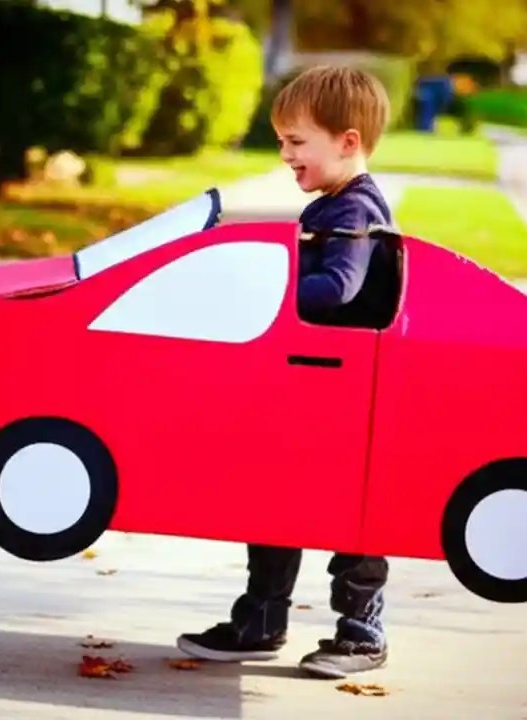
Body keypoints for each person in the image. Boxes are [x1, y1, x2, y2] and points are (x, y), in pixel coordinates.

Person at [176, 64, 397, 679]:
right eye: (282, 142)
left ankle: (361, 631)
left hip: (351, 389)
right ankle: (262, 620)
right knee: (275, 497)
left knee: (354, 511)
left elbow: (340, 286)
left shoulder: (354, 207)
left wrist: (270, 285)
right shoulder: (333, 203)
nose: (284, 154)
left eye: (297, 143)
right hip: (312, 383)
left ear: (347, 142)